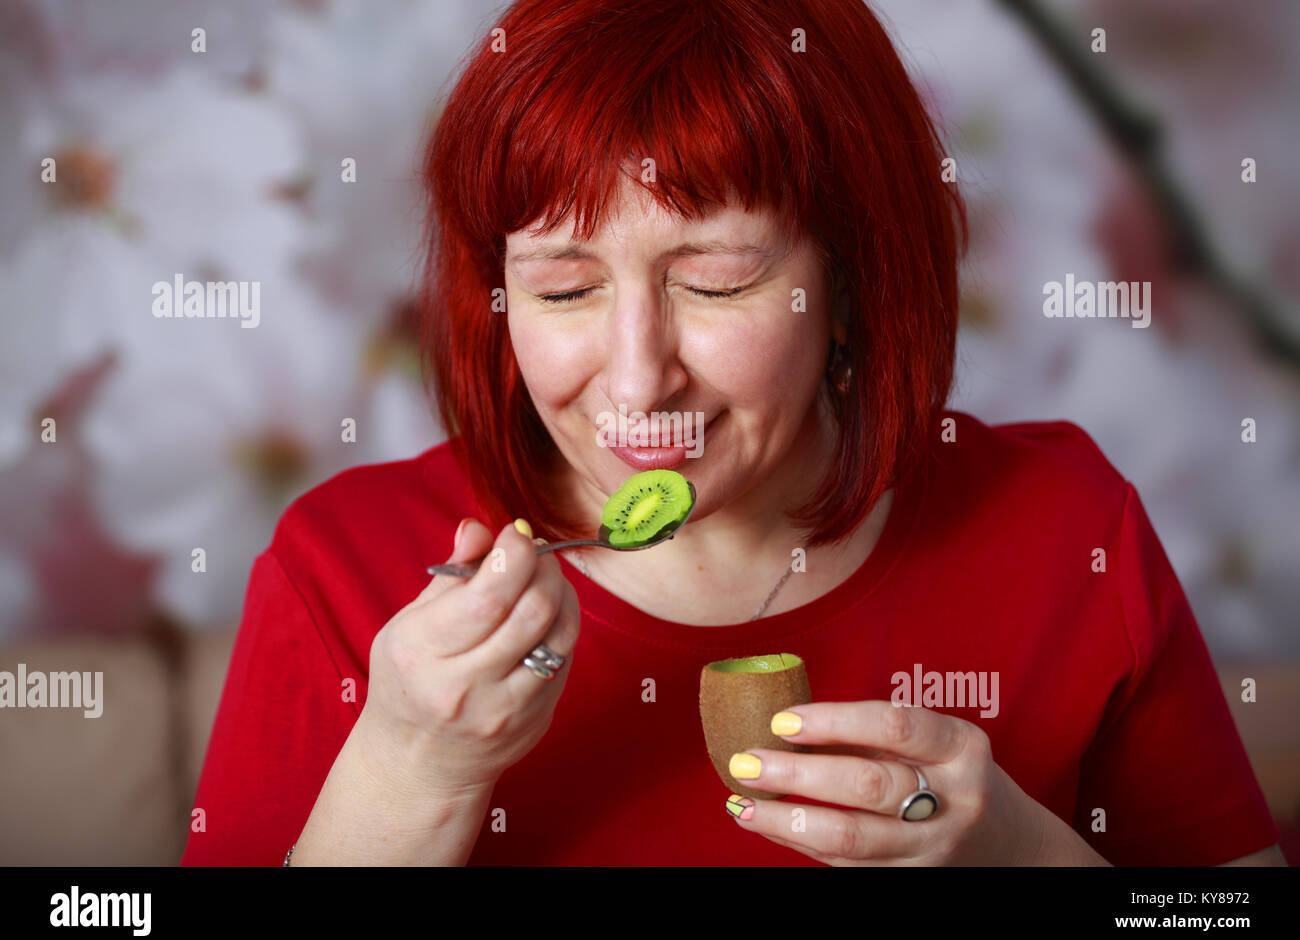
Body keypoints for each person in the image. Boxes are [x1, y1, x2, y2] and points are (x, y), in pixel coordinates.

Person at [181, 0, 1283, 866]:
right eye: (563, 290)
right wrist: (407, 771)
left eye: (714, 282)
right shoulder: (347, 567)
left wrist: (1021, 856)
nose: (634, 372)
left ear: (850, 284)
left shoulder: (1064, 530)